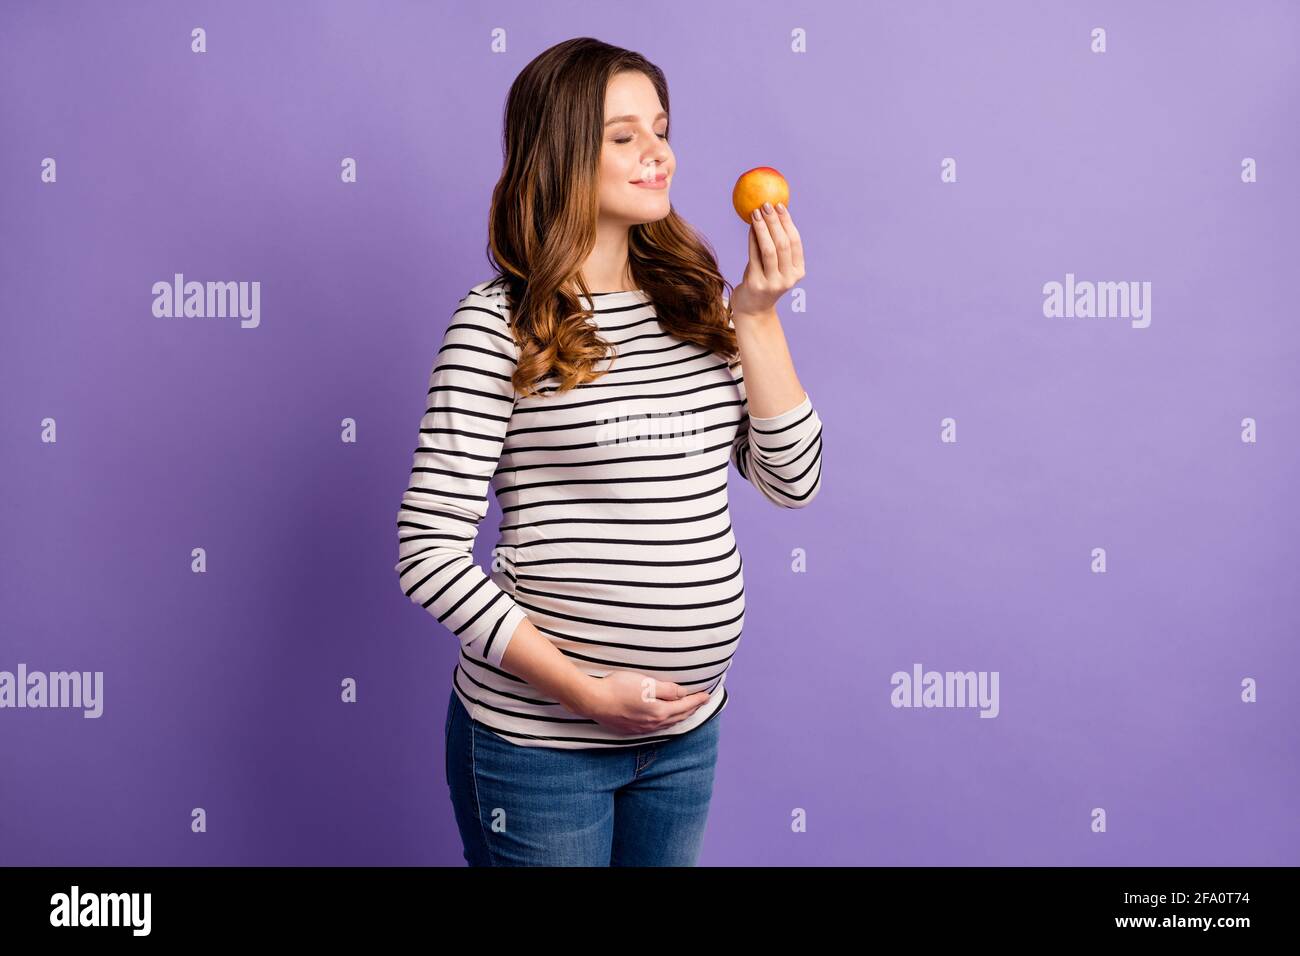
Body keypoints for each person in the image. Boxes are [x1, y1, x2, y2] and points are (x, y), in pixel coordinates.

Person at [395, 37, 824, 866]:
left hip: (687, 734)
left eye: (660, 129)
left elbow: (793, 481)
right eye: (623, 135)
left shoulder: (697, 302)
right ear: (560, 154)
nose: (657, 152)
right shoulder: (497, 324)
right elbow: (428, 552)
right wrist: (586, 694)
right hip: (541, 745)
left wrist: (759, 315)